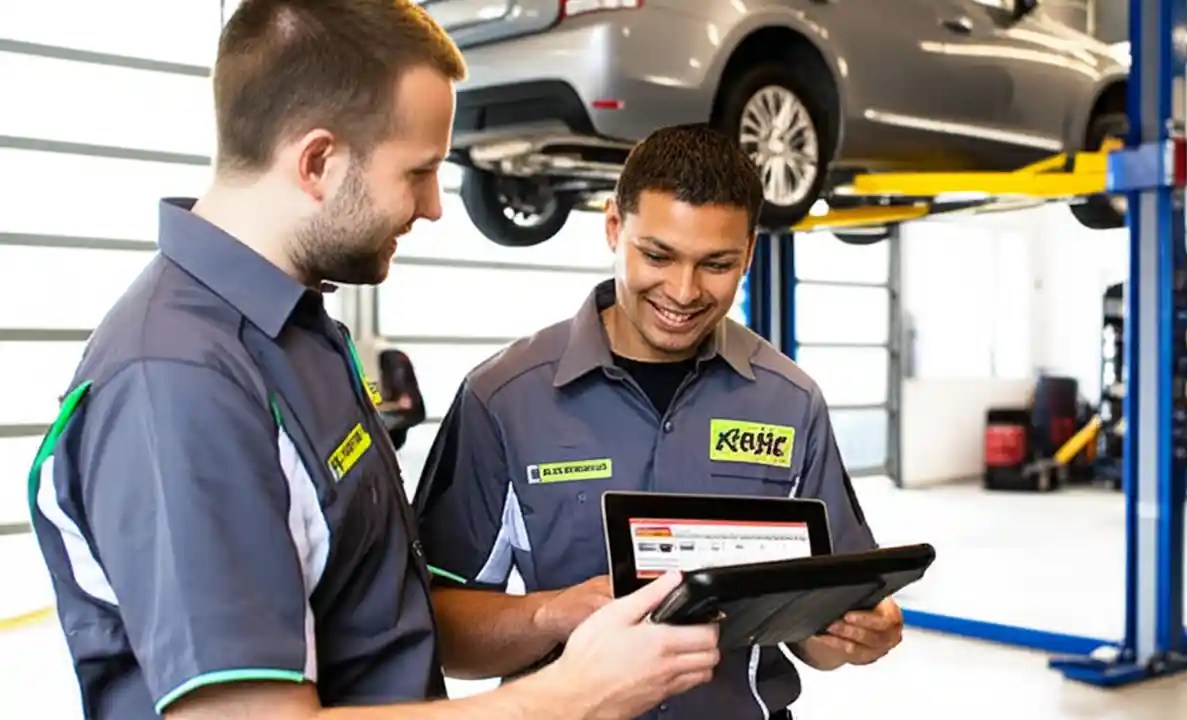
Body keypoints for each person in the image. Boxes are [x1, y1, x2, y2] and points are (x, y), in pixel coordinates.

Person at [26, 2, 720, 718]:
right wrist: (572, 696)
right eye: (418, 172)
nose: (432, 206)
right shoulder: (181, 384)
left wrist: (553, 620)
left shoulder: (294, 332)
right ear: (318, 161)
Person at [413, 123, 904, 720]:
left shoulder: (790, 403)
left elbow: (815, 630)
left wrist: (850, 639)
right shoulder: (503, 398)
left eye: (716, 264)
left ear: (749, 253)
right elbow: (437, 628)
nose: (683, 290)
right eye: (658, 255)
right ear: (614, 229)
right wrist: (550, 613)